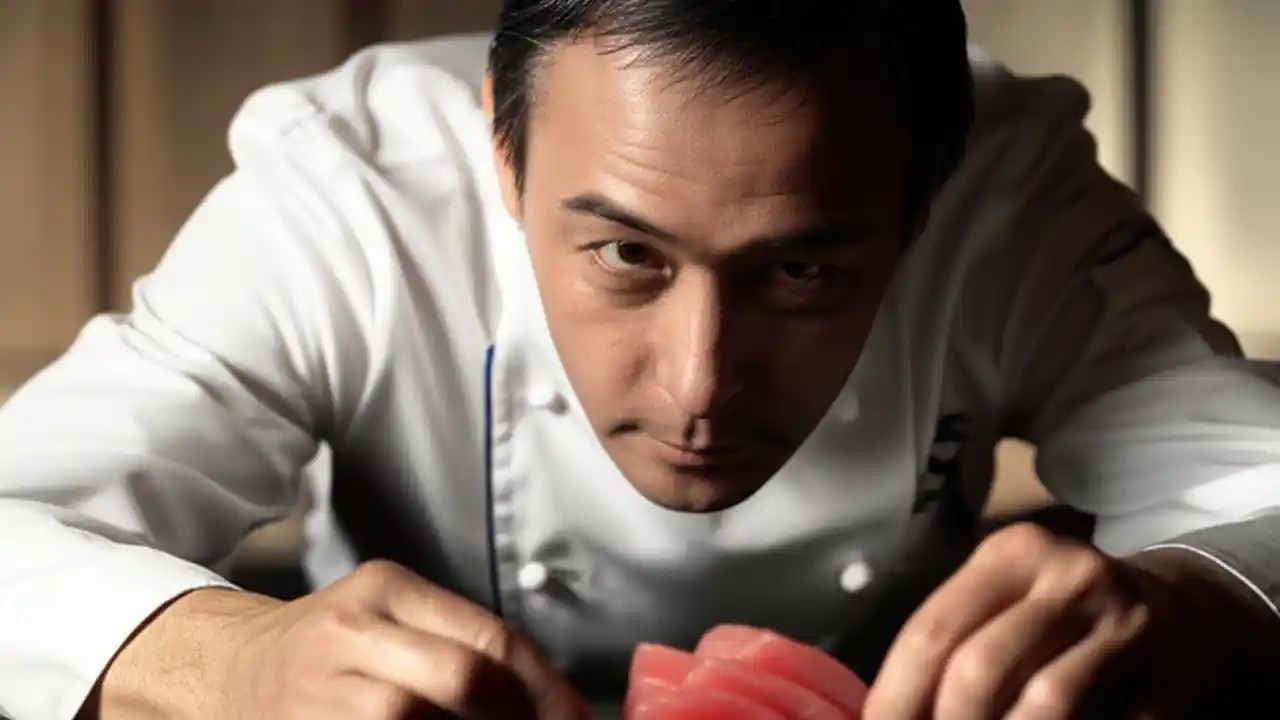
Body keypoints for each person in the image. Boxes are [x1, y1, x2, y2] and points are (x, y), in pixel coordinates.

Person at [1, 1, 1278, 718]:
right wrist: (229, 662)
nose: (697, 389)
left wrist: (1191, 604)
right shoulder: (350, 192)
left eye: (798, 270)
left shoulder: (1009, 189)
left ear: (925, 192)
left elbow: (1255, 487)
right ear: (501, 156)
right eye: (625, 256)